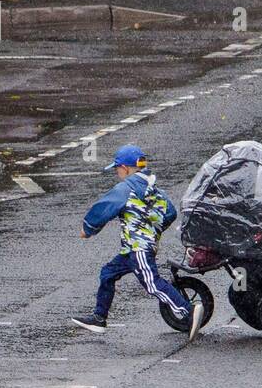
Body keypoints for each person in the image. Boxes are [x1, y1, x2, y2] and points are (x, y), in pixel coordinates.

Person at [71, 144, 203, 339]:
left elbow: (104, 208)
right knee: (108, 273)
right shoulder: (153, 188)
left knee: (152, 283)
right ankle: (99, 318)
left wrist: (87, 229)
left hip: (138, 248)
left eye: (117, 169)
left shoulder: (125, 188)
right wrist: (153, 231)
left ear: (125, 168)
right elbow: (170, 212)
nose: (117, 173)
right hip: (133, 248)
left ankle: (188, 310)